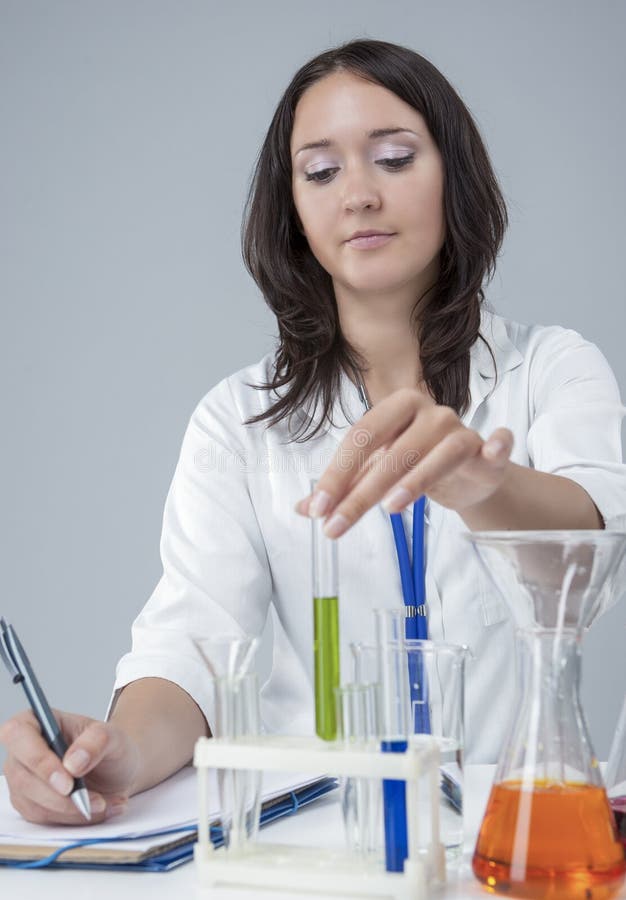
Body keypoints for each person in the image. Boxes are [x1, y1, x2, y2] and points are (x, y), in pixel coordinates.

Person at [2, 38, 625, 826]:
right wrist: (117, 752)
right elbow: (191, 644)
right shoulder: (239, 422)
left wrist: (481, 483)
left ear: (454, 177)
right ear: (293, 211)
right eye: (321, 172)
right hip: (324, 834)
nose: (358, 195)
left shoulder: (553, 370)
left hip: (515, 828)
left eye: (395, 158)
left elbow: (593, 561)